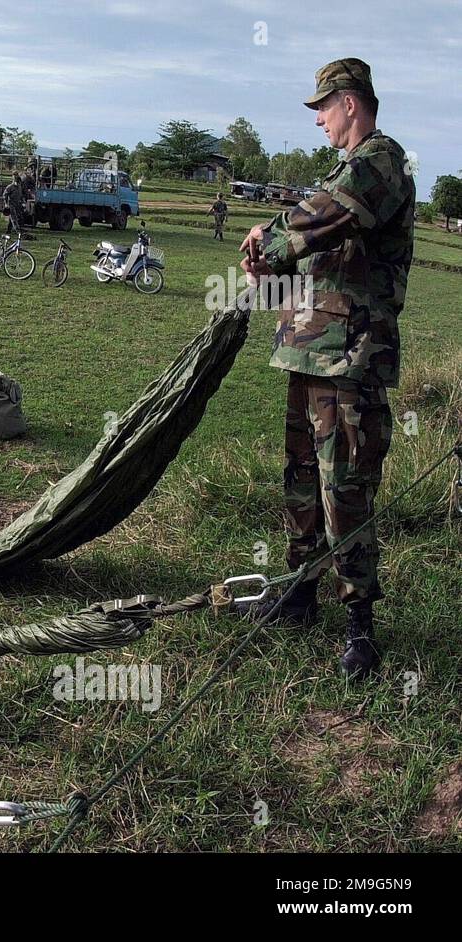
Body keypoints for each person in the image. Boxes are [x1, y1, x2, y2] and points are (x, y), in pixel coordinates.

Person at [238, 58, 415, 681]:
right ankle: (301, 589)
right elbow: (310, 259)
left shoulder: (381, 163)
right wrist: (268, 267)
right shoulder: (341, 175)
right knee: (302, 479)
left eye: (322, 106)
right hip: (306, 351)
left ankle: (360, 625)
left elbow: (327, 218)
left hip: (351, 357)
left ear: (351, 102)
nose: (316, 118)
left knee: (346, 487)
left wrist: (274, 236)